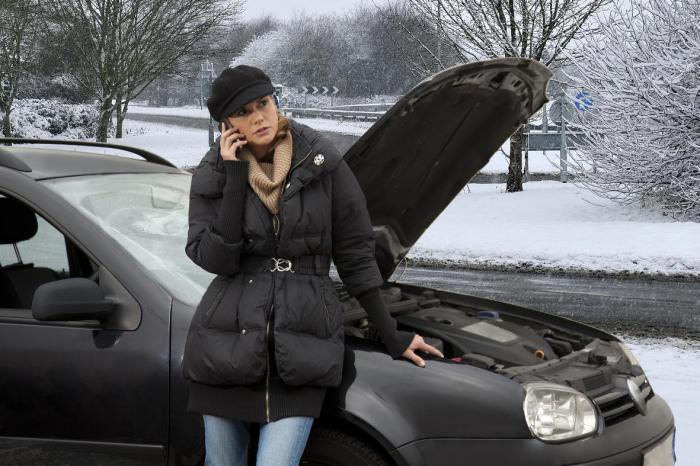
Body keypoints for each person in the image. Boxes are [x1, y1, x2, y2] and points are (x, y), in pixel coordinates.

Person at [181, 64, 444, 466]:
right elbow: (212, 257)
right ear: (226, 125)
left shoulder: (321, 160)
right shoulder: (214, 171)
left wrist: (390, 333)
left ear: (275, 100)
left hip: (302, 345)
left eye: (263, 103)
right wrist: (235, 178)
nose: (258, 117)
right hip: (225, 346)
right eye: (243, 112)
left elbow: (356, 252)